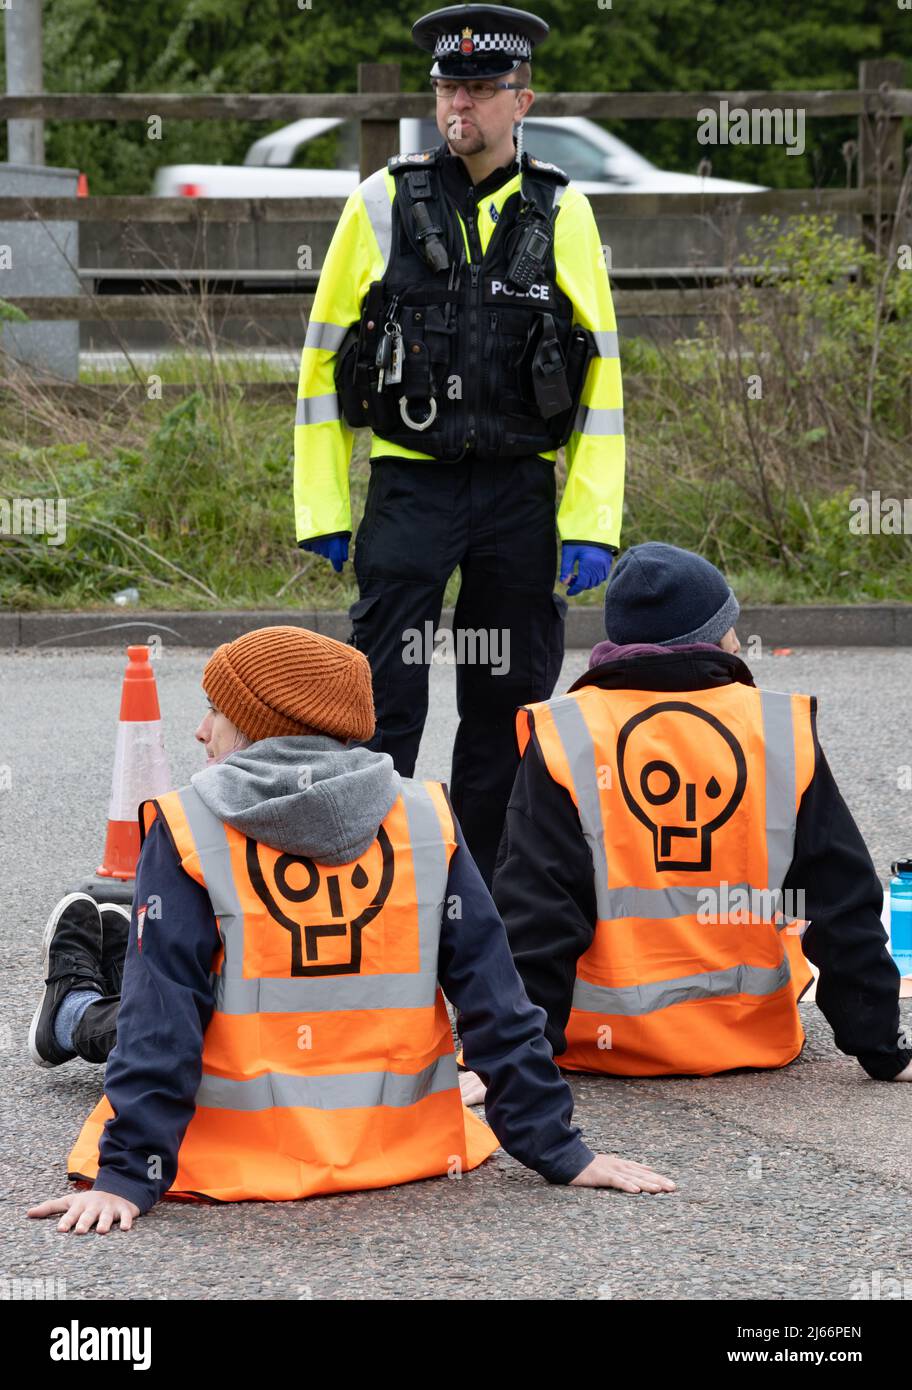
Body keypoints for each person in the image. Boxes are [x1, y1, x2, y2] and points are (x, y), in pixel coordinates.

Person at [27, 625, 674, 1235]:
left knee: (149, 982)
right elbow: (494, 1002)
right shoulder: (424, 820)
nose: (200, 732)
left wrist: (128, 1176)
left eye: (214, 711)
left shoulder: (190, 826)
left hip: (230, 1155)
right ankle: (86, 984)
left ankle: (74, 1003)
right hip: (398, 1151)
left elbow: (163, 1018)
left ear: (256, 726)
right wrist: (557, 1148)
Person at [294, 3, 625, 888]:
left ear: (523, 101)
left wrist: (591, 519)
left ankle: (484, 895)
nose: (460, 104)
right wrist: (322, 504)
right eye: (448, 86)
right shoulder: (379, 203)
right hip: (410, 492)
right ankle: (378, 881)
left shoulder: (565, 212)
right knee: (382, 700)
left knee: (506, 708)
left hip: (518, 493)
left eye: (481, 88)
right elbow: (323, 364)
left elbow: (604, 382)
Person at [459, 543, 912, 1103]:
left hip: (600, 1044)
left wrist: (510, 1058)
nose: (740, 642)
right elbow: (839, 896)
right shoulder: (775, 728)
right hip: (748, 1037)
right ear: (708, 638)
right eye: (730, 627)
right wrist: (882, 1047)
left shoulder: (569, 734)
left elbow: (538, 907)